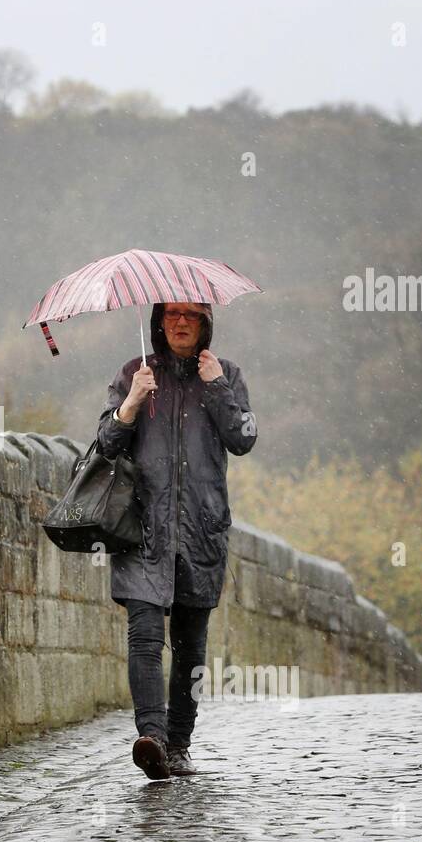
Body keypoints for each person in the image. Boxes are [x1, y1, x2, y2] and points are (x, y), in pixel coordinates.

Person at [94, 301, 257, 779]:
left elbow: (243, 438)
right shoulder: (134, 373)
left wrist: (218, 388)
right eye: (172, 315)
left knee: (189, 645)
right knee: (144, 635)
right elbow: (104, 442)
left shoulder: (225, 373)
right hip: (142, 528)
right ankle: (152, 737)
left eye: (191, 315)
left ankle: (180, 744)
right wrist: (131, 405)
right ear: (159, 322)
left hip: (201, 529)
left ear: (205, 323)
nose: (181, 323)